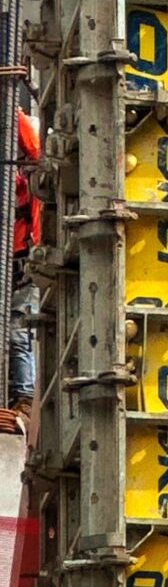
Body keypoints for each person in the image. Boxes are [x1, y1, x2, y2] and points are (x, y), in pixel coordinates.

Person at [8, 109, 40, 424]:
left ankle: (23, 397)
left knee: (17, 331)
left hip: (22, 262)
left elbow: (34, 149)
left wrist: (12, 109)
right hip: (11, 260)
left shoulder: (28, 183)